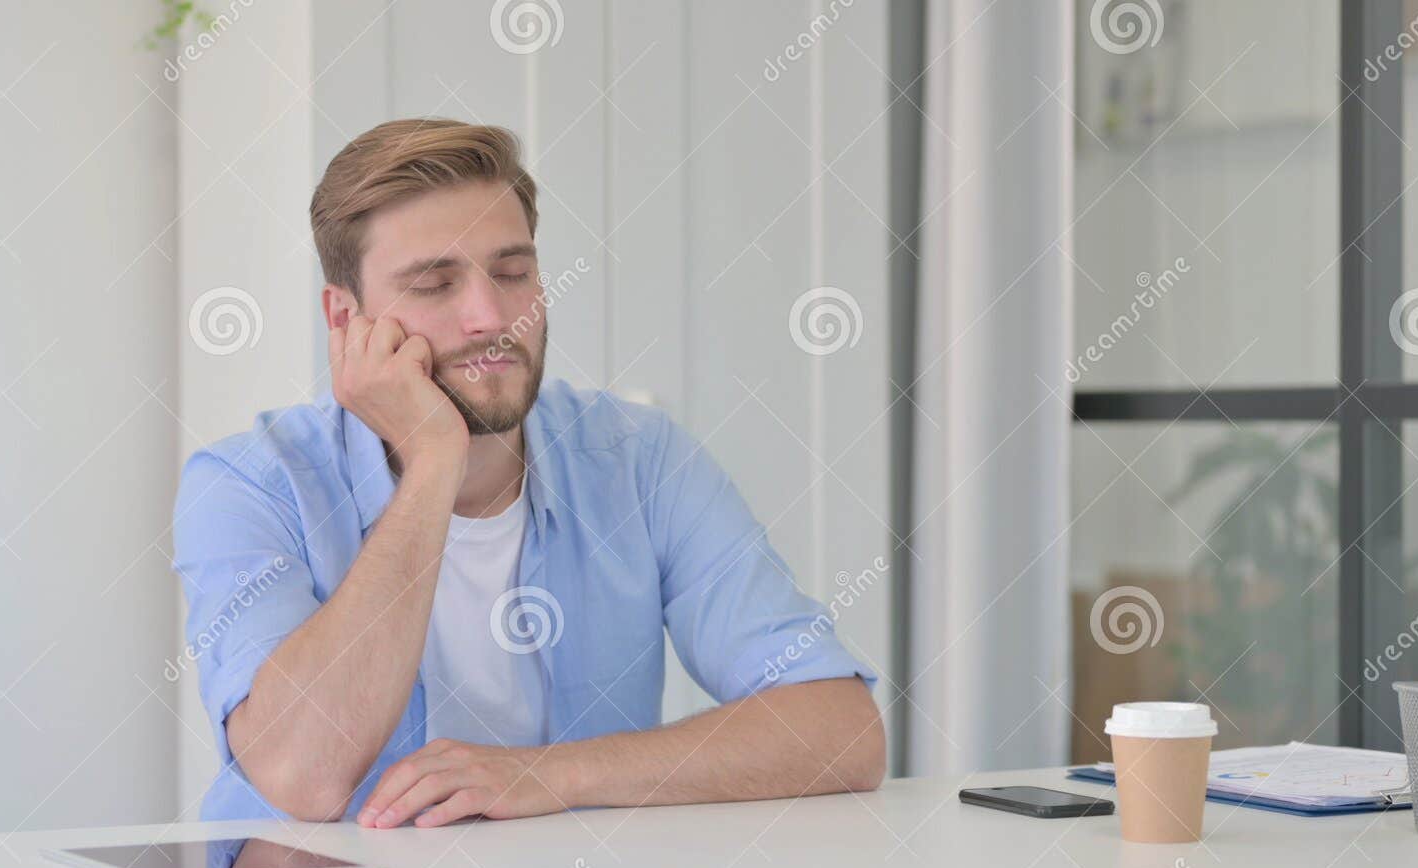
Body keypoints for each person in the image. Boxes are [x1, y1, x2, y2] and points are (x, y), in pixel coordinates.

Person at [172, 118, 885, 828]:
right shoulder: (248, 486)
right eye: (434, 284)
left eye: (513, 274)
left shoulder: (636, 458)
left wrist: (553, 774)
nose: (490, 316)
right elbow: (302, 778)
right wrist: (434, 463)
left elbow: (842, 733)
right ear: (345, 318)